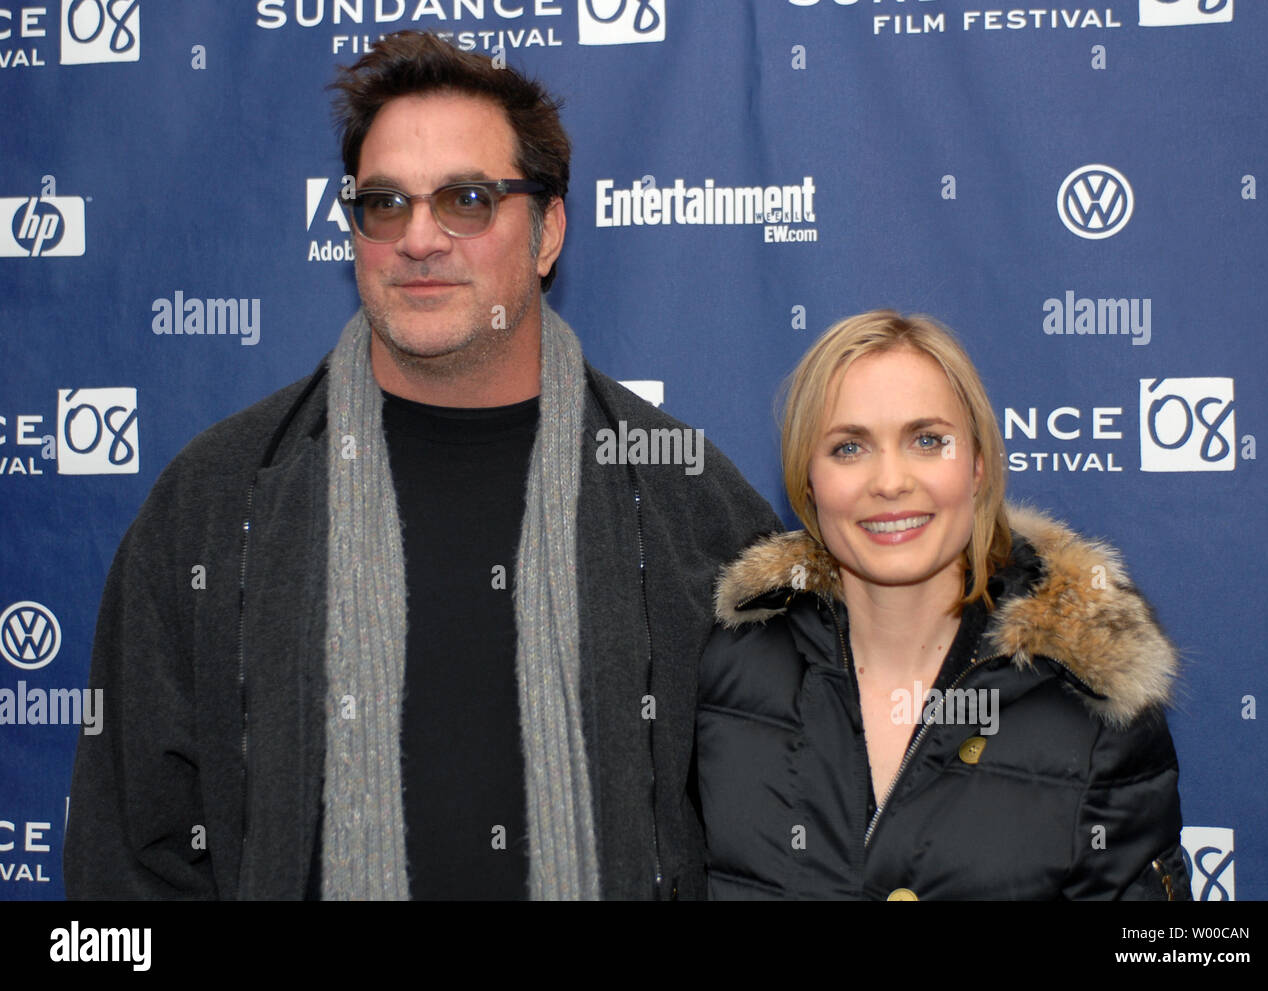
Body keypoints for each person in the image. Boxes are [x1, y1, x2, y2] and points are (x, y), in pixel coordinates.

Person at [64, 32, 779, 901]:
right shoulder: (217, 501)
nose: (418, 238)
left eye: (467, 200)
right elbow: (130, 853)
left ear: (548, 232)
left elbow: (771, 842)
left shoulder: (683, 497)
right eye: (385, 204)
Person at [696, 310, 1191, 899]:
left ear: (977, 467)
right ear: (808, 481)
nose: (890, 481)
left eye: (928, 441)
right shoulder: (727, 665)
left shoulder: (1091, 700)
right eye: (849, 447)